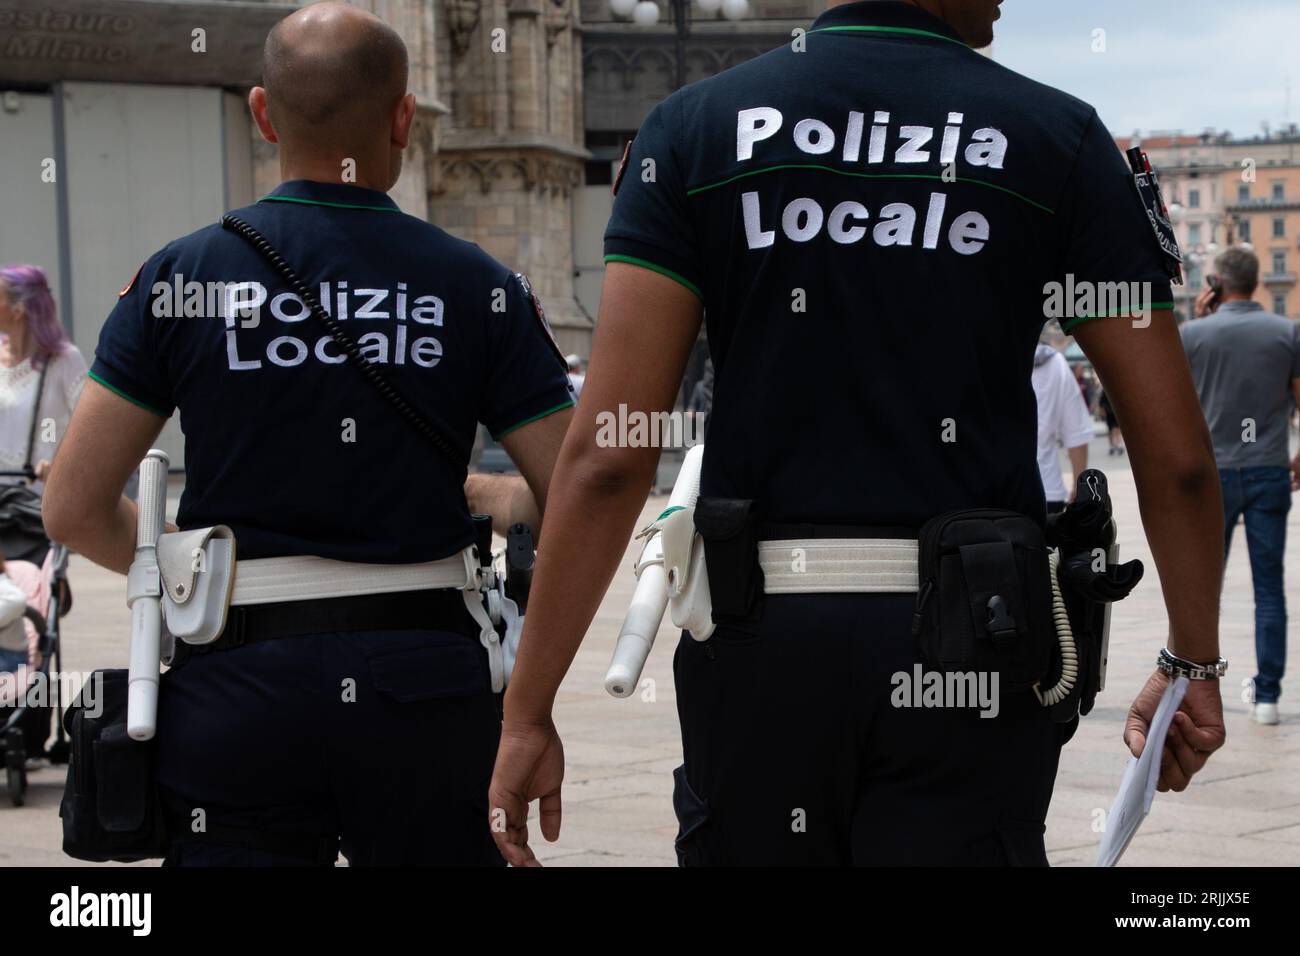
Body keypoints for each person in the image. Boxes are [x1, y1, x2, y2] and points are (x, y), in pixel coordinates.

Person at [489, 0, 1226, 866]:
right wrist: (1194, 664)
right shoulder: (1058, 138)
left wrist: (528, 708)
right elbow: (1174, 460)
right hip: (974, 643)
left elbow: (611, 458)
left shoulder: (692, 129)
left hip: (760, 645)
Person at [43, 1, 574, 866]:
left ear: (262, 112)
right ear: (405, 117)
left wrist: (191, 570)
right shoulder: (479, 285)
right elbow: (580, 491)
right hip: (425, 686)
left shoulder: (183, 275)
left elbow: (70, 507)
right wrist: (506, 504)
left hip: (241, 690)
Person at [1182, 246, 1300, 726]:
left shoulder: (1192, 334)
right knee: (1269, 588)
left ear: (1215, 283)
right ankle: (1267, 697)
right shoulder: (1287, 332)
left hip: (1215, 474)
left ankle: (1194, 684)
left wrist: (1197, 322)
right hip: (1269, 468)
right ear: (1255, 283)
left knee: (1203, 588)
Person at [0, 265, 87, 484]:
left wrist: (60, 466)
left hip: (39, 504)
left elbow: (92, 430)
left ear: (18, 309)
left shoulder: (64, 360)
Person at [1032, 343, 1093, 514]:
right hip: (1044, 490)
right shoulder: (1053, 362)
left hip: (974, 499)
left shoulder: (966, 354)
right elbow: (1077, 432)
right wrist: (1079, 487)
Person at [1098, 389, 1123, 456]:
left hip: (1115, 412)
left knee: (1117, 429)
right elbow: (1101, 402)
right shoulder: (1105, 391)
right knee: (1111, 430)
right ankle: (1113, 445)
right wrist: (1102, 411)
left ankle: (1118, 445)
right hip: (1109, 412)